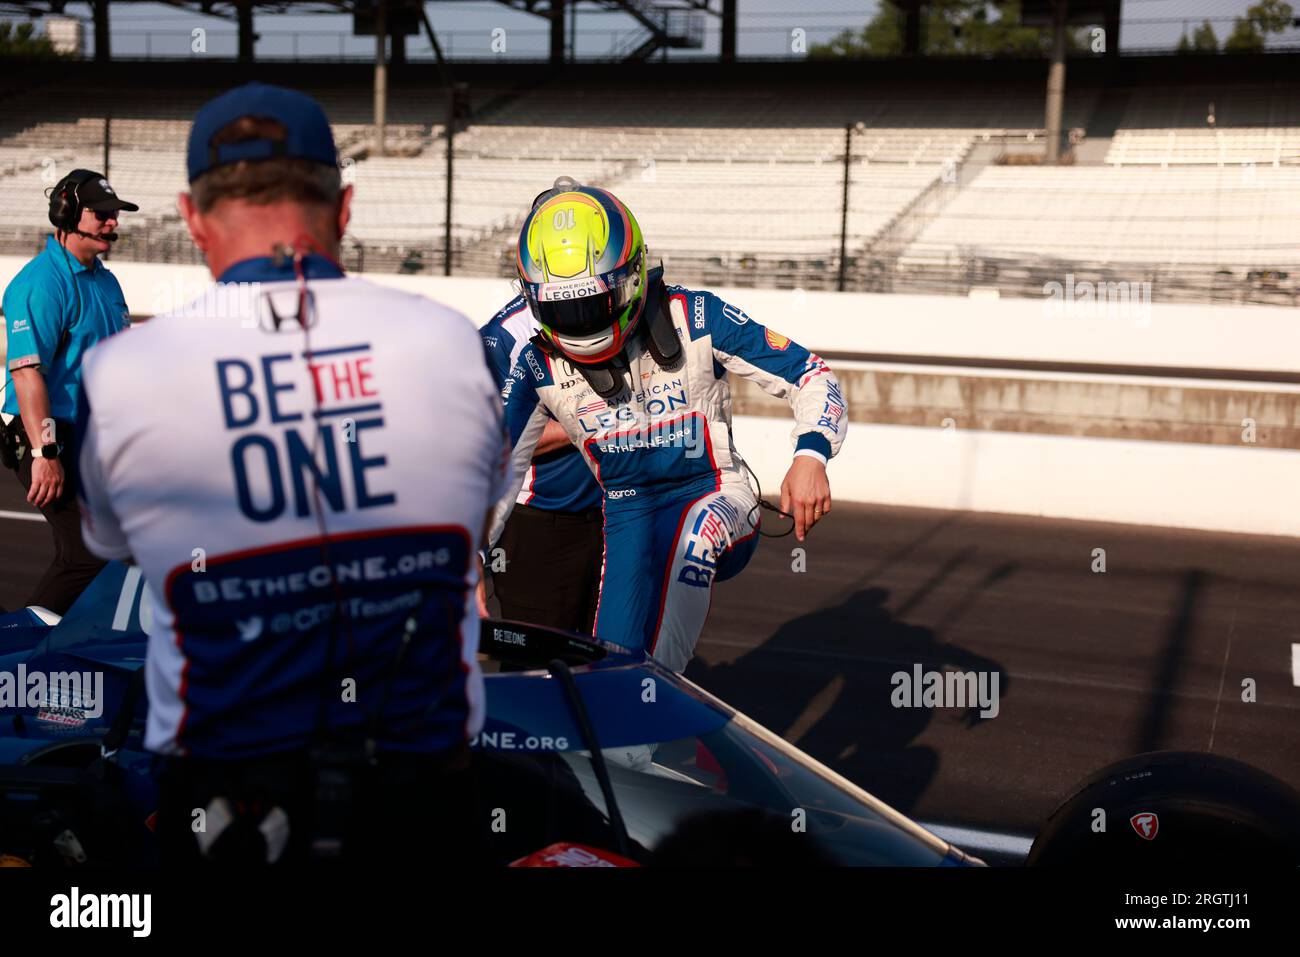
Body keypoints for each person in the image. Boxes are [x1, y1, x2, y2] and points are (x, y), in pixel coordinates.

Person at [75, 82, 507, 865]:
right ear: (342, 209)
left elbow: (113, 542)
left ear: (191, 217)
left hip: (225, 796)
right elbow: (472, 529)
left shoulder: (121, 373)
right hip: (419, 791)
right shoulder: (452, 344)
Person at [487, 181, 847, 673]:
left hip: (718, 492)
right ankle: (627, 743)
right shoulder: (534, 365)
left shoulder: (697, 314)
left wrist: (811, 455)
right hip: (626, 513)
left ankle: (654, 698)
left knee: (691, 544)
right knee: (610, 661)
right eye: (561, 309)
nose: (578, 322)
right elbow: (495, 472)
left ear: (632, 276)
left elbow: (810, 374)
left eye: (592, 303)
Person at [1, 169, 135, 614]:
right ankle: (21, 663)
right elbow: (26, 375)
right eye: (103, 215)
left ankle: (97, 657)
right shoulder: (39, 283)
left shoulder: (105, 282)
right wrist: (44, 454)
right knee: (86, 552)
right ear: (67, 213)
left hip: (92, 438)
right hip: (42, 432)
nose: (113, 224)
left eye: (115, 215)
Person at [479, 285, 603, 634]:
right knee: (537, 661)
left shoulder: (606, 308)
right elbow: (491, 441)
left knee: (605, 657)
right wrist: (596, 422)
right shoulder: (505, 335)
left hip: (614, 515)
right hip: (537, 525)